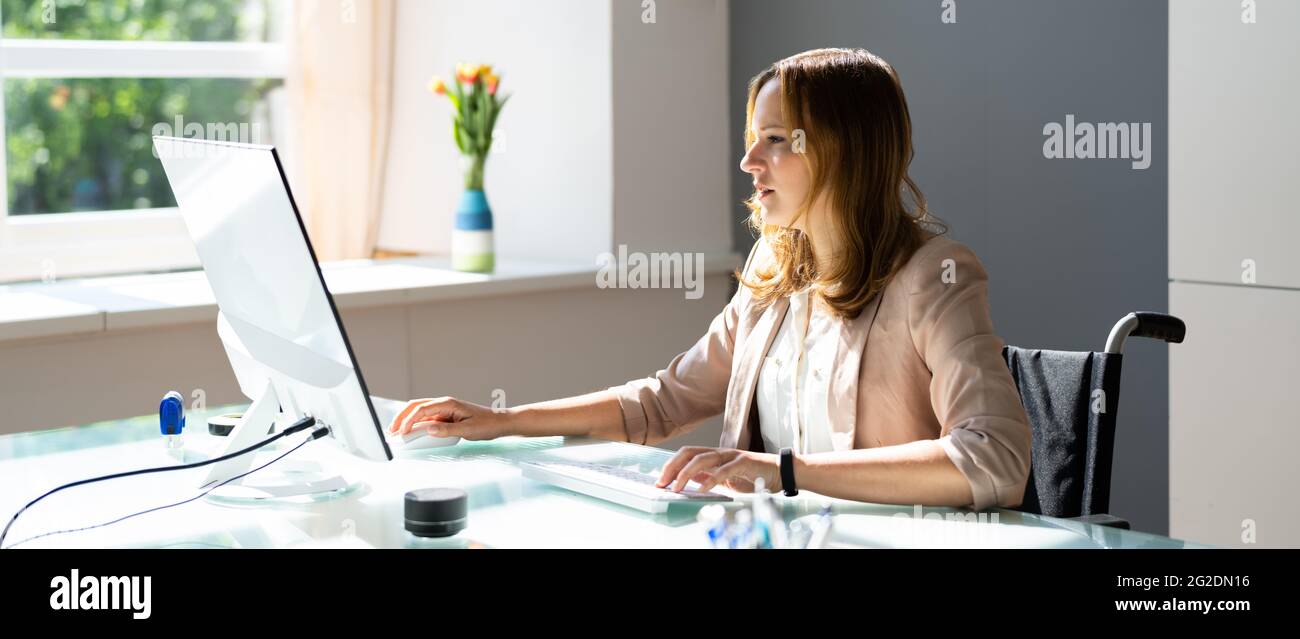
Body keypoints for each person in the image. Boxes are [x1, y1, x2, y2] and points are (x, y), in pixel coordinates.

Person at [389, 48, 1031, 511]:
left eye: (775, 139)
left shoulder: (933, 277)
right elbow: (662, 403)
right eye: (753, 139)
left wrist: (783, 472)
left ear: (844, 149)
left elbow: (995, 459)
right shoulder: (770, 269)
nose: (749, 161)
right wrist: (503, 420)